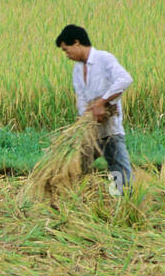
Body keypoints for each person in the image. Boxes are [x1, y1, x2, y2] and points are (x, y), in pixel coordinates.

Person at [55, 23, 134, 192]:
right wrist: (84, 117)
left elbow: (125, 79)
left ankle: (126, 202)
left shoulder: (104, 59)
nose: (66, 55)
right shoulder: (77, 70)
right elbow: (81, 98)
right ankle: (71, 199)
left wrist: (101, 103)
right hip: (89, 129)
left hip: (109, 127)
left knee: (117, 167)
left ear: (77, 42)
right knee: (76, 165)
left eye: (66, 49)